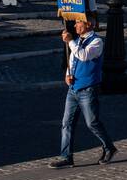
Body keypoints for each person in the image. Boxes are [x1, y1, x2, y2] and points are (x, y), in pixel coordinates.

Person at [49, 16, 118, 168]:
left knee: (92, 123)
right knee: (67, 123)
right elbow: (73, 59)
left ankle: (109, 147)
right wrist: (67, 74)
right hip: (73, 89)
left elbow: (84, 55)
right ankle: (66, 156)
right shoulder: (77, 41)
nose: (75, 26)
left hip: (88, 89)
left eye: (78, 23)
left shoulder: (96, 42)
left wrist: (70, 41)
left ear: (88, 24)